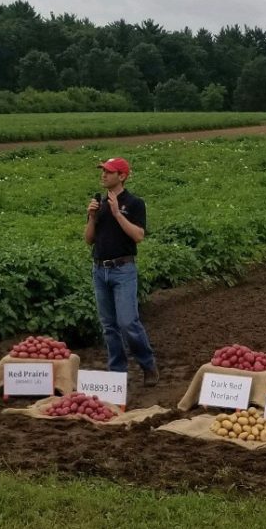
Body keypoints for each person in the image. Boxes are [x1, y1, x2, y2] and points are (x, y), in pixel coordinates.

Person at [84, 157, 159, 385]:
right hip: (99, 270)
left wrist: (117, 214)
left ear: (122, 176)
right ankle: (117, 374)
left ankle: (148, 364)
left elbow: (138, 236)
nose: (103, 175)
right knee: (109, 326)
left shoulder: (135, 203)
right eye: (103, 171)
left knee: (128, 322)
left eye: (109, 172)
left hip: (123, 269)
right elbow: (89, 240)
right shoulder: (98, 203)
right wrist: (91, 217)